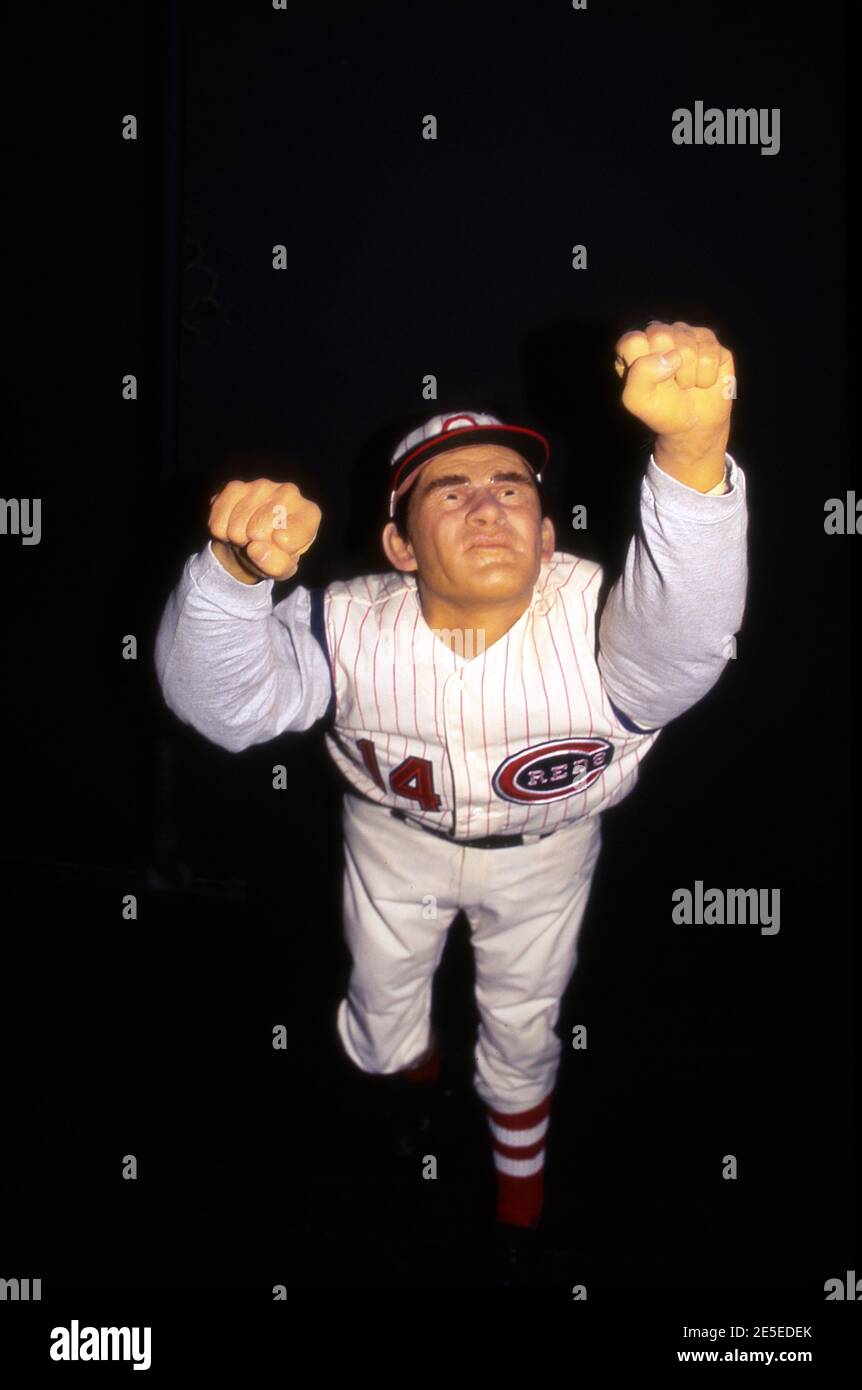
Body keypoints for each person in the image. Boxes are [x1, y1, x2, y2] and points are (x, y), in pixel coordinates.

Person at [154, 319, 748, 1260]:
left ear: (549, 532)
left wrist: (692, 454)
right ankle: (414, 1071)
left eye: (512, 487)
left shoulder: (602, 617)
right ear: (397, 544)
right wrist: (230, 577)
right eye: (451, 489)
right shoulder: (346, 624)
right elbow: (221, 707)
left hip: (545, 858)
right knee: (384, 1027)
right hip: (397, 842)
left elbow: (685, 647)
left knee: (522, 1026)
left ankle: (520, 1194)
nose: (488, 506)